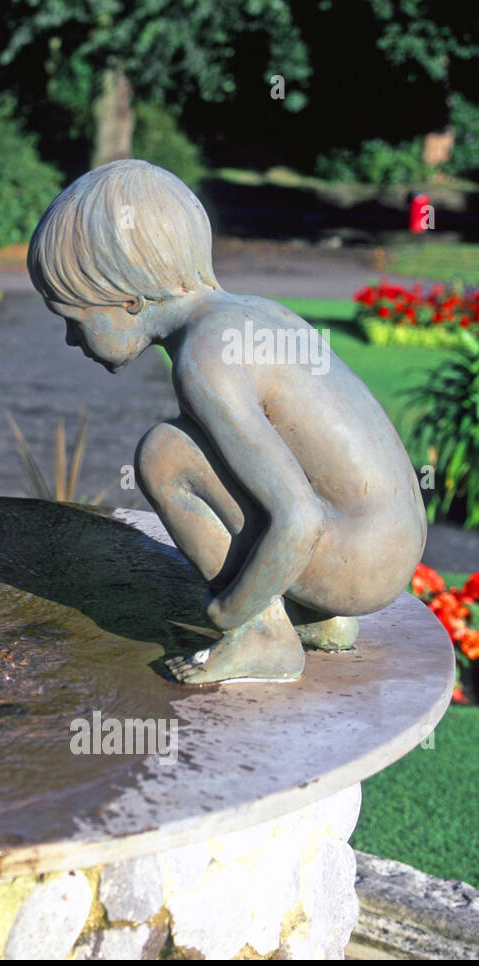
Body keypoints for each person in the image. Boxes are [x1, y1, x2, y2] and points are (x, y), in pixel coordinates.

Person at [27, 159, 427, 684]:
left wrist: (231, 610)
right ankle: (320, 618)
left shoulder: (205, 358)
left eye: (74, 321)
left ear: (129, 300)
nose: (71, 341)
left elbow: (298, 517)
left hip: (361, 563)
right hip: (390, 548)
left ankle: (265, 637)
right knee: (203, 449)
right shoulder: (249, 313)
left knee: (166, 453)